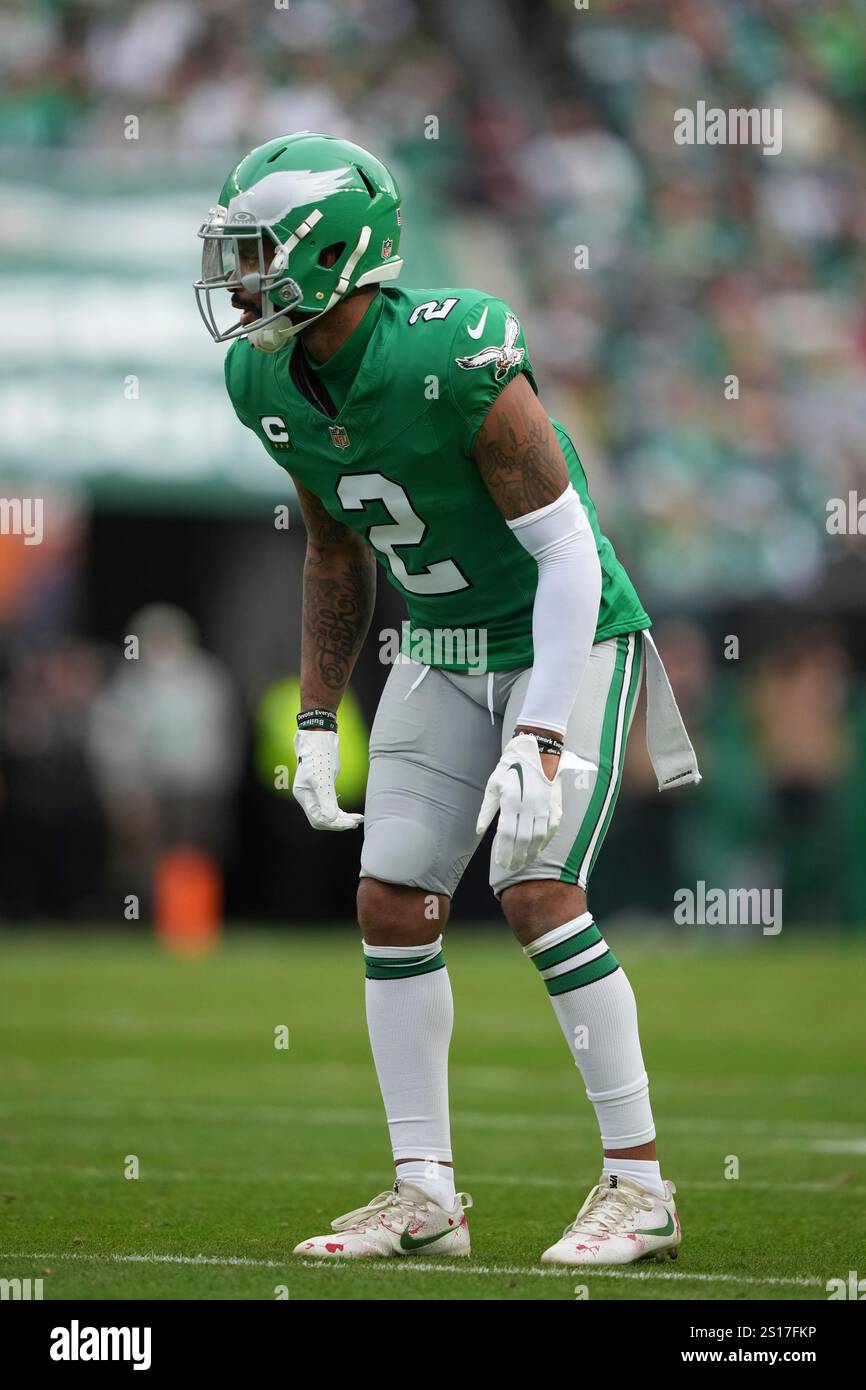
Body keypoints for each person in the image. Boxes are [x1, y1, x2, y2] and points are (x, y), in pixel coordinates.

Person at [195, 132, 699, 1265]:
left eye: (258, 251)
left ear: (333, 251)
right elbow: (333, 549)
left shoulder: (454, 351)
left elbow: (568, 552)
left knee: (534, 889)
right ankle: (426, 1194)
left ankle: (641, 1186)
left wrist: (540, 725)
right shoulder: (261, 376)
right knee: (389, 902)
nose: (239, 276)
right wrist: (320, 711)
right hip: (438, 641)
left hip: (567, 634)